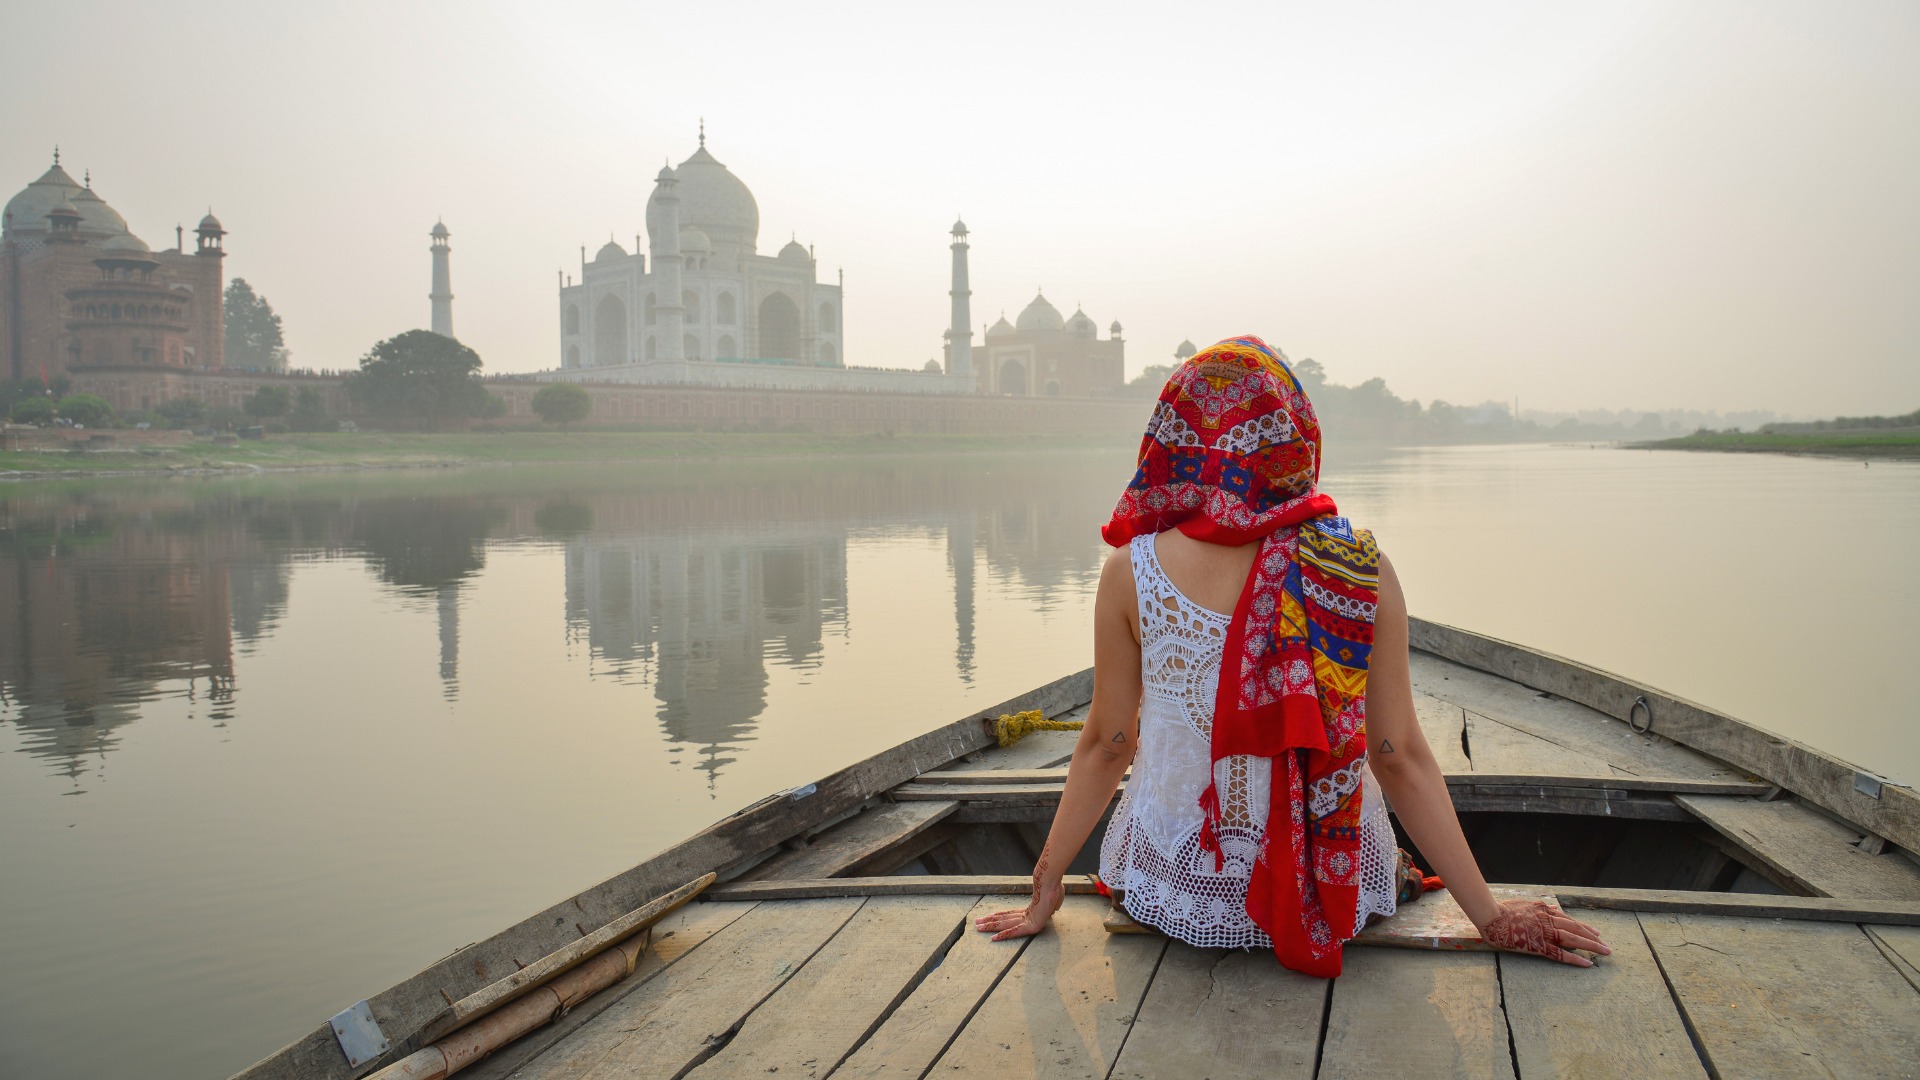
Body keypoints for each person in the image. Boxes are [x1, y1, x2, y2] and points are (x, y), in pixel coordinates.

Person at [973, 336, 1609, 974]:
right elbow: (1397, 755)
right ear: (1293, 438)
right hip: (1337, 896)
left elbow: (1108, 745)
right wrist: (1491, 916)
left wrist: (1046, 882)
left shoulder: (1130, 571)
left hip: (1175, 892)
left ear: (1175, 437)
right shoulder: (1357, 568)